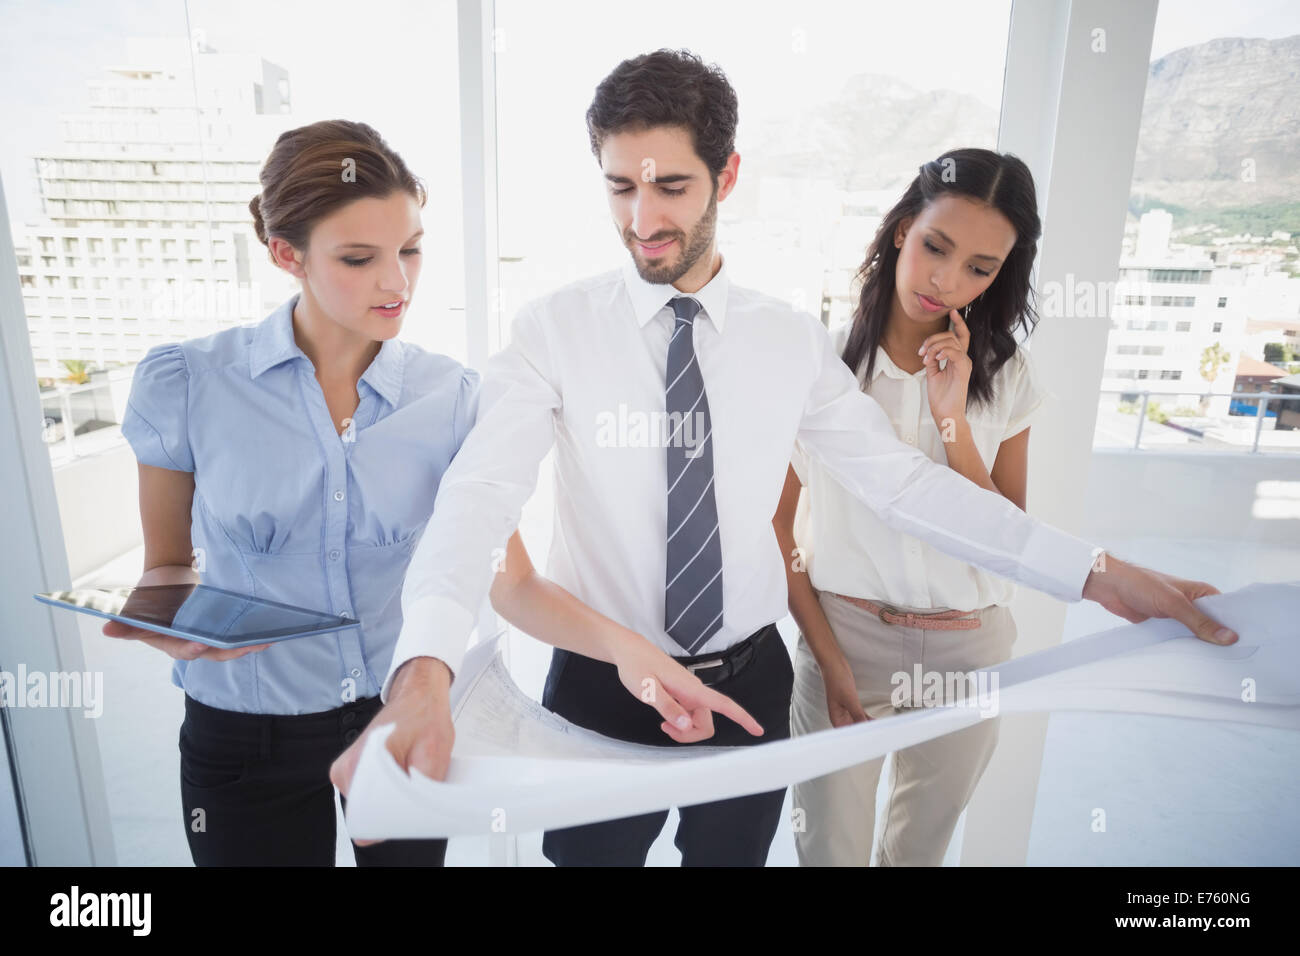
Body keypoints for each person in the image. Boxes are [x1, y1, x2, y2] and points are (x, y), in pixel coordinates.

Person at [330, 50, 1237, 867]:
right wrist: (423, 674)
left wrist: (1096, 572)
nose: (642, 221)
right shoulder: (551, 332)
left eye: (673, 188)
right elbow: (479, 501)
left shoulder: (789, 343)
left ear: (727, 175)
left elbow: (903, 485)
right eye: (619, 188)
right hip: (602, 689)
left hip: (751, 681)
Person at [107, 118, 754, 867]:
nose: (398, 282)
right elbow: (165, 572)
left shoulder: (450, 399)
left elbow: (510, 585)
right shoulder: (188, 383)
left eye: (411, 250)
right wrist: (161, 615)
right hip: (242, 736)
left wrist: (636, 654)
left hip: (404, 723)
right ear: (288, 255)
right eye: (359, 258)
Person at [776, 147, 1061, 865]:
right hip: (845, 638)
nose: (947, 280)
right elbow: (776, 529)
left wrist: (953, 421)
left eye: (979, 268)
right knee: (828, 853)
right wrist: (827, 657)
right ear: (902, 228)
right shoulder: (819, 366)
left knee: (917, 854)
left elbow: (1008, 535)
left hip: (969, 646)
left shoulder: (1008, 373)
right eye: (937, 246)